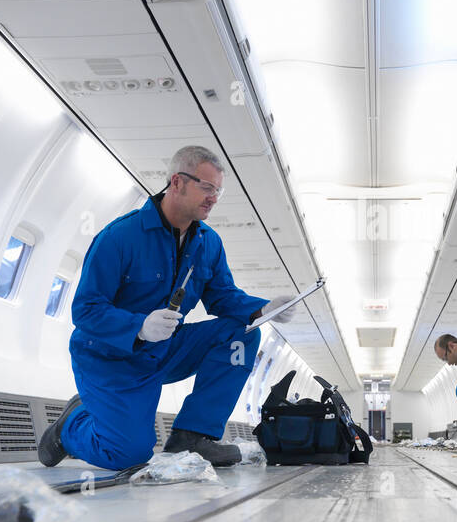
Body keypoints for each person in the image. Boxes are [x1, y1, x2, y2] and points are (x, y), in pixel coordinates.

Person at [37, 145, 296, 470]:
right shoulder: (120, 236)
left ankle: (193, 437)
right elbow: (86, 310)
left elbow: (224, 299)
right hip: (109, 358)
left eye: (218, 190)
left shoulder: (208, 243)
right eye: (207, 187)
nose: (213, 197)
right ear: (177, 183)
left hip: (164, 350)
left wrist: (264, 309)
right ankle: (70, 426)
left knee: (241, 334)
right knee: (128, 455)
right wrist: (139, 327)